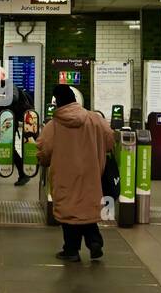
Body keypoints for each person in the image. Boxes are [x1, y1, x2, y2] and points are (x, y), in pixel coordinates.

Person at [37, 84, 115, 262]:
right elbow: (110, 139)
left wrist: (42, 160)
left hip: (65, 176)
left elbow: (44, 150)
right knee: (86, 209)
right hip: (91, 174)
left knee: (70, 212)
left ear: (57, 102)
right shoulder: (94, 119)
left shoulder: (54, 125)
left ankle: (71, 250)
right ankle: (95, 242)